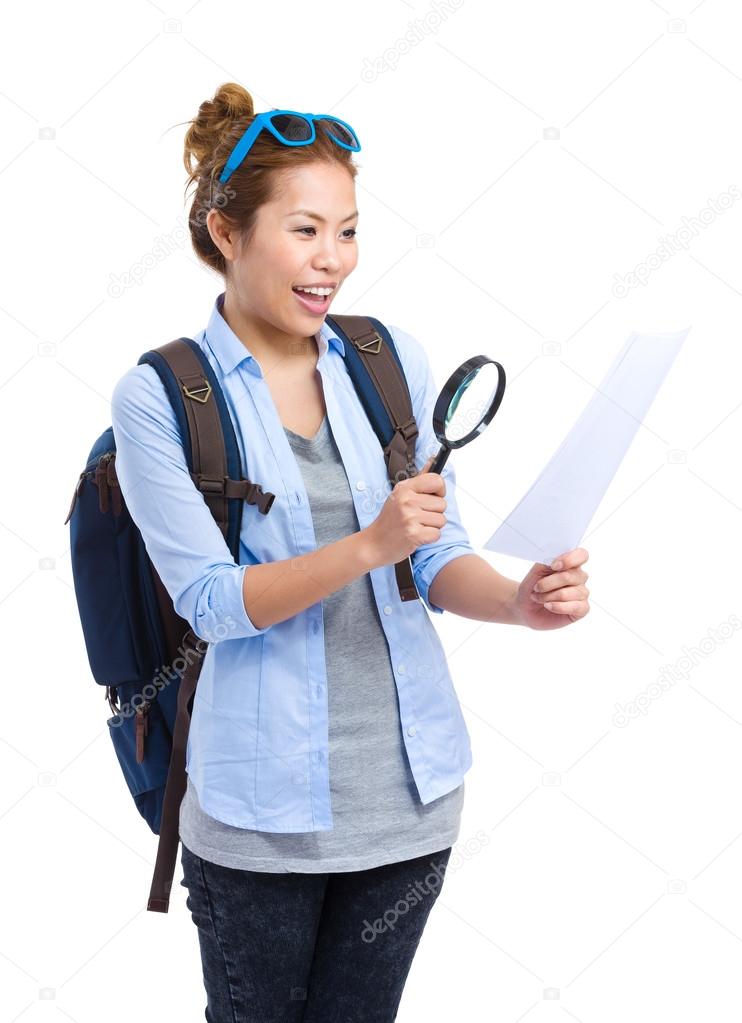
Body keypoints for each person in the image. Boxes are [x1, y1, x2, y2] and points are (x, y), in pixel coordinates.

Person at [110, 81, 591, 1023]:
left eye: (349, 230)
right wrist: (366, 543)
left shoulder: (383, 357)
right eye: (304, 230)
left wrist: (518, 602)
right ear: (225, 231)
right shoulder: (162, 396)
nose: (332, 260)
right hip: (261, 823)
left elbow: (432, 553)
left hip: (409, 801)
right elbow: (210, 601)